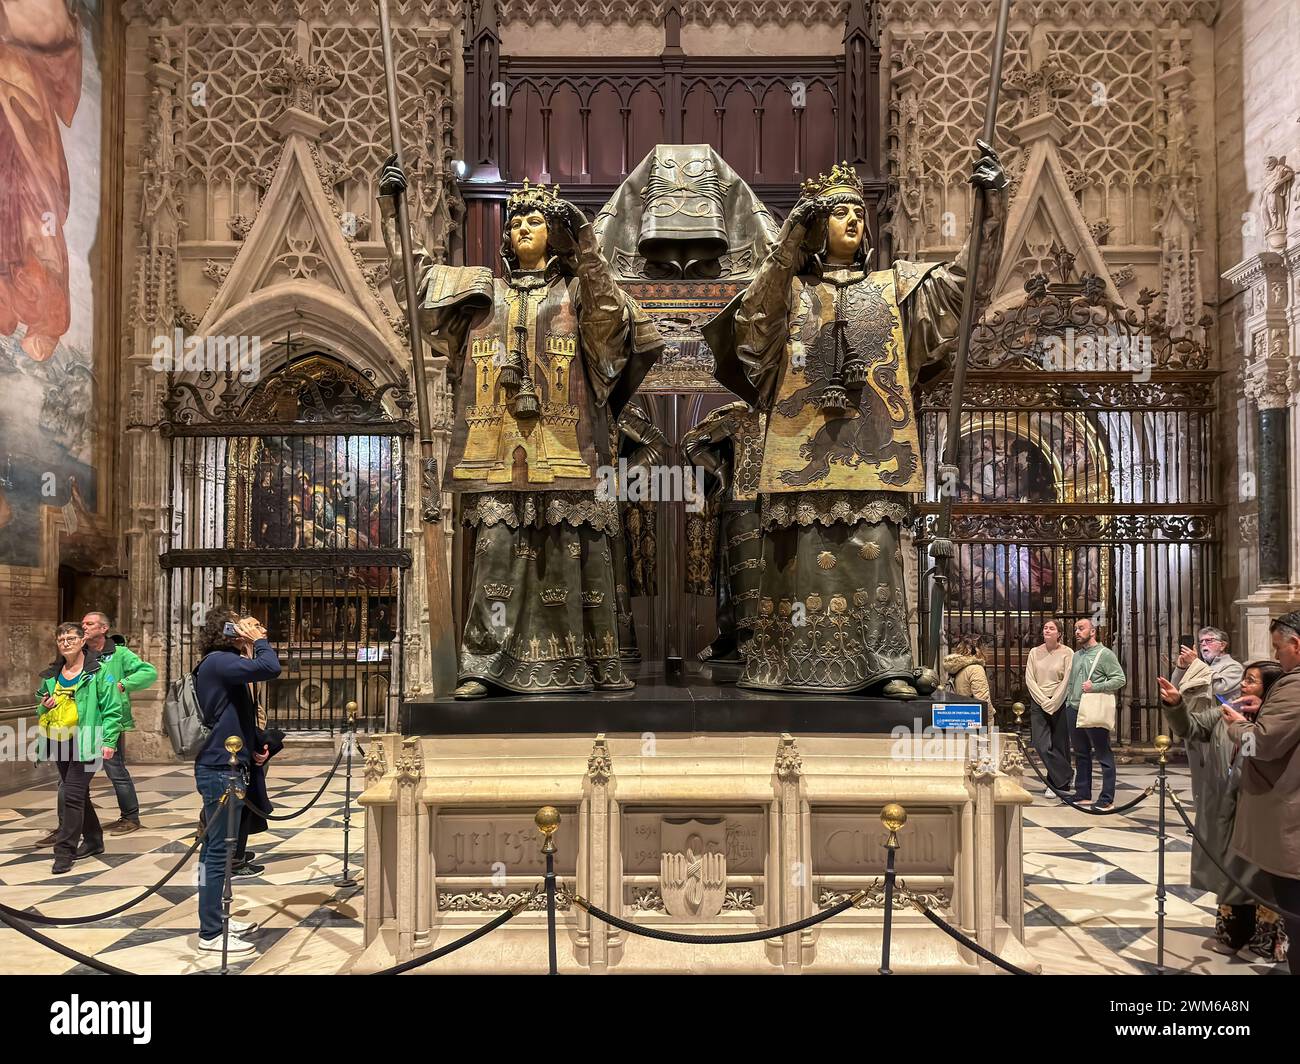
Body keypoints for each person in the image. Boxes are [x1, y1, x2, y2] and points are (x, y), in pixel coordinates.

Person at [1158, 659, 1283, 959]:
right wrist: (1176, 705)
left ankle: (1266, 937)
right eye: (1244, 679)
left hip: (1257, 808)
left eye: (1251, 681)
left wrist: (1241, 726)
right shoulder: (1225, 711)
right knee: (1228, 871)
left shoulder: (1275, 721)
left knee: (1258, 876)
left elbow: (1257, 751)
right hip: (1222, 805)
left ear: (1269, 688)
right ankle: (1232, 931)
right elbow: (1190, 728)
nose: (1243, 685)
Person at [193, 609, 281, 955]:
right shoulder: (217, 661)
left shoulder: (226, 665)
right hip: (218, 770)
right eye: (239, 622)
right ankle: (211, 933)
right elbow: (269, 668)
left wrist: (257, 744)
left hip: (229, 765)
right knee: (216, 852)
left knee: (221, 849)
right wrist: (259, 641)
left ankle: (218, 917)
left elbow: (236, 717)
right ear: (228, 630)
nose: (250, 626)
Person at [1221, 612, 1300, 975]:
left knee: (1295, 916)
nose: (1278, 656)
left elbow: (1262, 745)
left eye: (1278, 649)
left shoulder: (1294, 684)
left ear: (1295, 645)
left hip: (1289, 821)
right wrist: (1264, 711)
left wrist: (1239, 728)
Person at [37, 611, 157, 843]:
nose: (85, 626)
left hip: (106, 724)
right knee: (69, 782)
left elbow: (149, 672)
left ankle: (130, 817)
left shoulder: (118, 653)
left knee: (115, 771)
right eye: (82, 623)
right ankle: (68, 827)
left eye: (90, 623)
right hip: (76, 727)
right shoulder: (79, 656)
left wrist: (123, 684)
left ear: (103, 628)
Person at [35, 622, 125, 874]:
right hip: (59, 738)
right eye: (61, 639)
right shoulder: (52, 674)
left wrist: (109, 741)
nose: (66, 643)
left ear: (82, 641)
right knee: (78, 794)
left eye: (71, 638)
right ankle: (94, 840)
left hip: (88, 739)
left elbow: (112, 708)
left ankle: (64, 851)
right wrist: (45, 704)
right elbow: (39, 705)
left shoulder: (99, 671)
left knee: (71, 795)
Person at [1062, 618, 1126, 811]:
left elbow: (1119, 679)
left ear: (1093, 632)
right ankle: (1083, 793)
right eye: (1075, 629)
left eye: (1081, 628)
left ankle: (1107, 798)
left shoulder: (1104, 654)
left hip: (1093, 708)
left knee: (1103, 753)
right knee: (1081, 753)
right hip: (1074, 707)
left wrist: (1095, 686)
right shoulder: (1076, 655)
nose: (1077, 632)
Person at [1024, 619, 1075, 792]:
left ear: (1059, 633)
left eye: (1051, 628)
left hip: (1059, 701)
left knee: (1060, 743)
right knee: (1040, 744)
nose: (1047, 630)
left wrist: (1054, 701)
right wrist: (1043, 700)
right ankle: (1066, 772)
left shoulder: (1068, 653)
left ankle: (1058, 783)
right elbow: (1030, 678)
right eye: (1045, 627)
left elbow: (1068, 679)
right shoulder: (1034, 652)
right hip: (1039, 701)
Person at [1172, 625, 1243, 703]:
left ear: (1222, 645)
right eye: (1201, 641)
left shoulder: (1234, 667)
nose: (1203, 644)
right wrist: (1181, 668)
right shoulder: (1199, 666)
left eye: (1209, 640)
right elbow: (1175, 689)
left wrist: (1195, 664)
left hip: (1220, 714)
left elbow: (1218, 688)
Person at [944, 634, 992, 704]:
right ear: (978, 649)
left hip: (959, 710)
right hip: (972, 712)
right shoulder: (976, 669)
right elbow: (983, 700)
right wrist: (990, 714)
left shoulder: (957, 667)